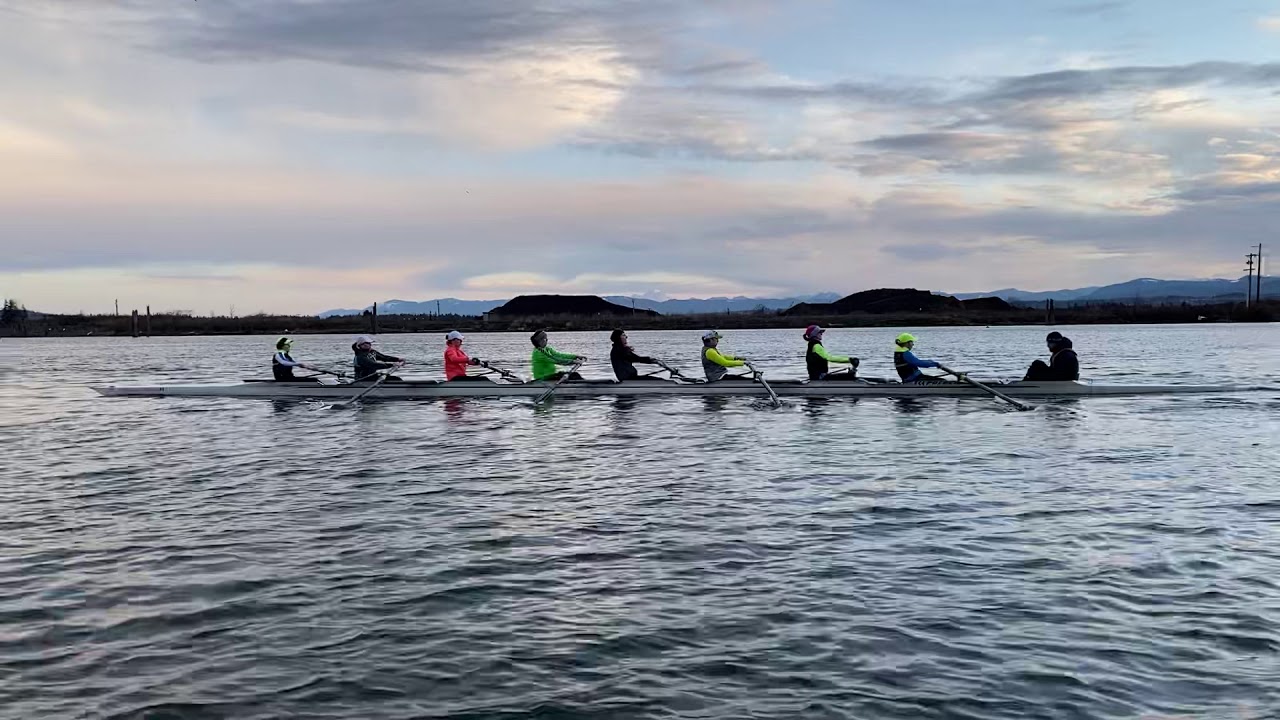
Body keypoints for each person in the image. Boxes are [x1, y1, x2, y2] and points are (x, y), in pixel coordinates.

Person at [892, 333, 958, 383]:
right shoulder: (905, 354)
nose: (913, 344)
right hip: (914, 379)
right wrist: (934, 364)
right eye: (912, 342)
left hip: (912, 378)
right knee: (943, 381)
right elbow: (919, 363)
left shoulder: (899, 352)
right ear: (907, 343)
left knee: (941, 380)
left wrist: (930, 361)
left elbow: (916, 362)